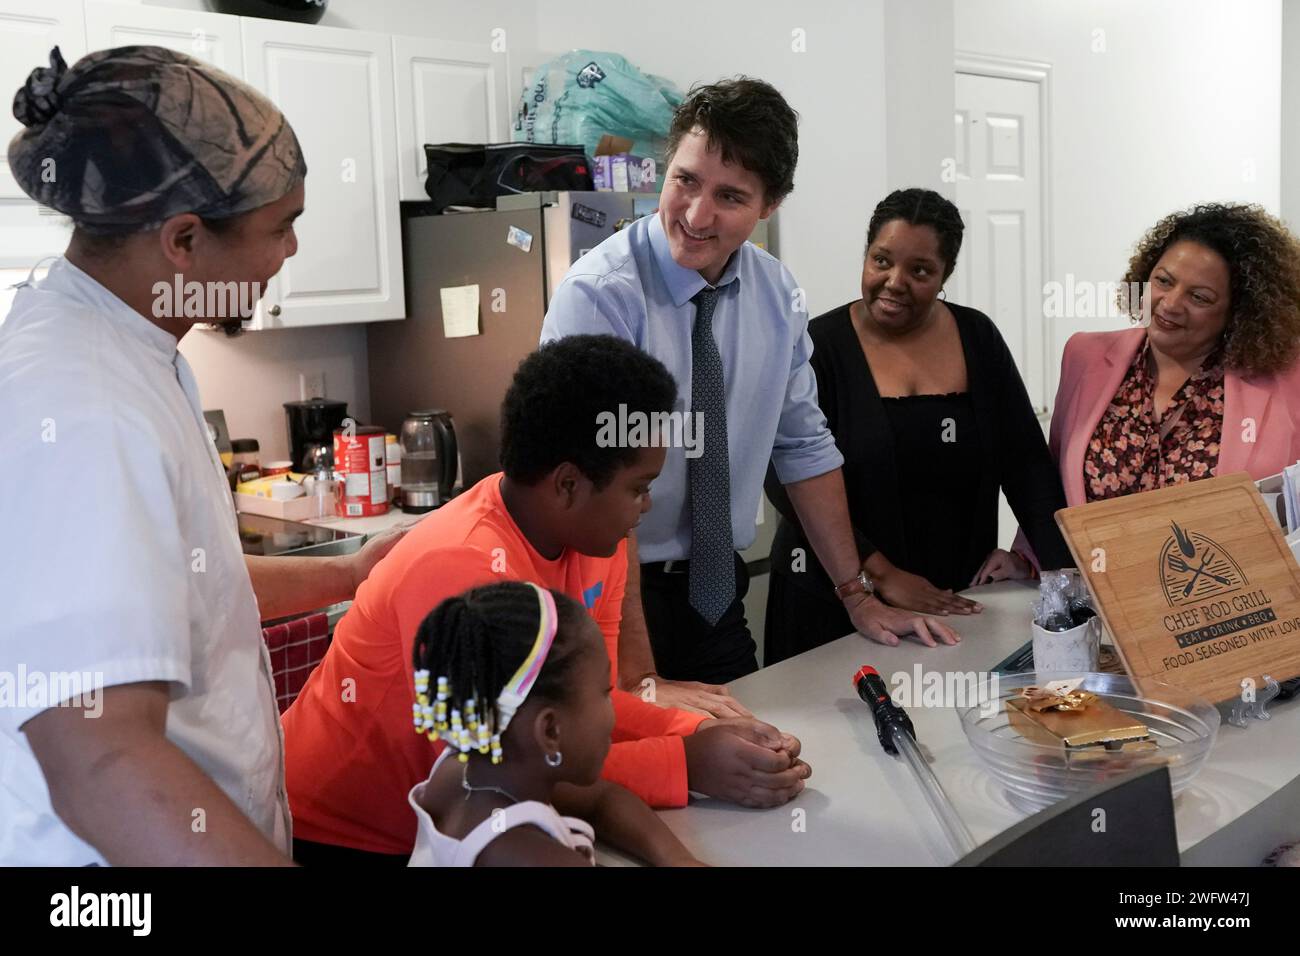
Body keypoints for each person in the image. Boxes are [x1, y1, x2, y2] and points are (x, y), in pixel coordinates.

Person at [0, 46, 402, 865]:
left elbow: (177, 579)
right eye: (279, 226)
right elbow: (100, 759)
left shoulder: (130, 346)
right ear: (184, 240)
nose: (289, 251)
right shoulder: (87, 411)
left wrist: (351, 573)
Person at [282, 335, 810, 863]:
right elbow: (506, 762)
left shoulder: (596, 540)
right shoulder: (464, 568)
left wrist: (701, 730)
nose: (646, 506)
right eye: (638, 487)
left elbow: (585, 700)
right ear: (567, 486)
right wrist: (685, 763)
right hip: (337, 833)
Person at [542, 78, 959, 685]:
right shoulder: (601, 297)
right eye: (685, 179)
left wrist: (857, 595)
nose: (695, 214)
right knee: (643, 773)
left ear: (771, 205)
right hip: (606, 599)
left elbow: (804, 449)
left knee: (764, 762)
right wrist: (640, 681)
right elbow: (594, 490)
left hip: (715, 597)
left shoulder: (776, 293)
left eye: (730, 196)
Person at [764, 189, 1073, 664]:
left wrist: (1064, 579)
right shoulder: (817, 346)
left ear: (945, 275)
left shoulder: (977, 337)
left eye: (920, 271)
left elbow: (1026, 465)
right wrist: (881, 574)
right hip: (832, 595)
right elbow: (785, 478)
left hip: (952, 596)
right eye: (881, 260)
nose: (894, 282)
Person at [1002, 203, 1300, 574]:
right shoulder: (1085, 356)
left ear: (1238, 312)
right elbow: (1054, 479)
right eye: (1163, 281)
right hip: (1101, 599)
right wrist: (1027, 558)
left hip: (1223, 605)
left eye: (1200, 297)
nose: (1170, 304)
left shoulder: (1285, 378)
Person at [408, 581, 705, 866]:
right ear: (550, 730)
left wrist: (679, 860)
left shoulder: (466, 772)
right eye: (605, 692)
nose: (613, 708)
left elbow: (601, 799)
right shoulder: (529, 855)